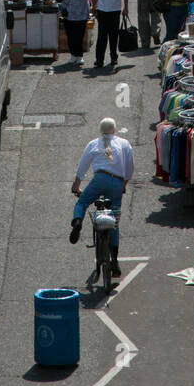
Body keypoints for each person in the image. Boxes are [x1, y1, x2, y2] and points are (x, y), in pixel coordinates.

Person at [69, 117, 134, 277]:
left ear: (100, 130)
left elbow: (83, 166)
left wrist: (76, 185)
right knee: (114, 222)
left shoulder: (93, 144)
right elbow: (129, 169)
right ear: (114, 130)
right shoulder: (124, 144)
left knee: (83, 202)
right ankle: (115, 260)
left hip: (99, 179)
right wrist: (123, 185)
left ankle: (77, 222)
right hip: (117, 183)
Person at [56, 0, 93, 67]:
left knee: (79, 35)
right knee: (70, 36)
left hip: (81, 14)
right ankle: (73, 55)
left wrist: (94, 8)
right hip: (68, 14)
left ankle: (80, 56)